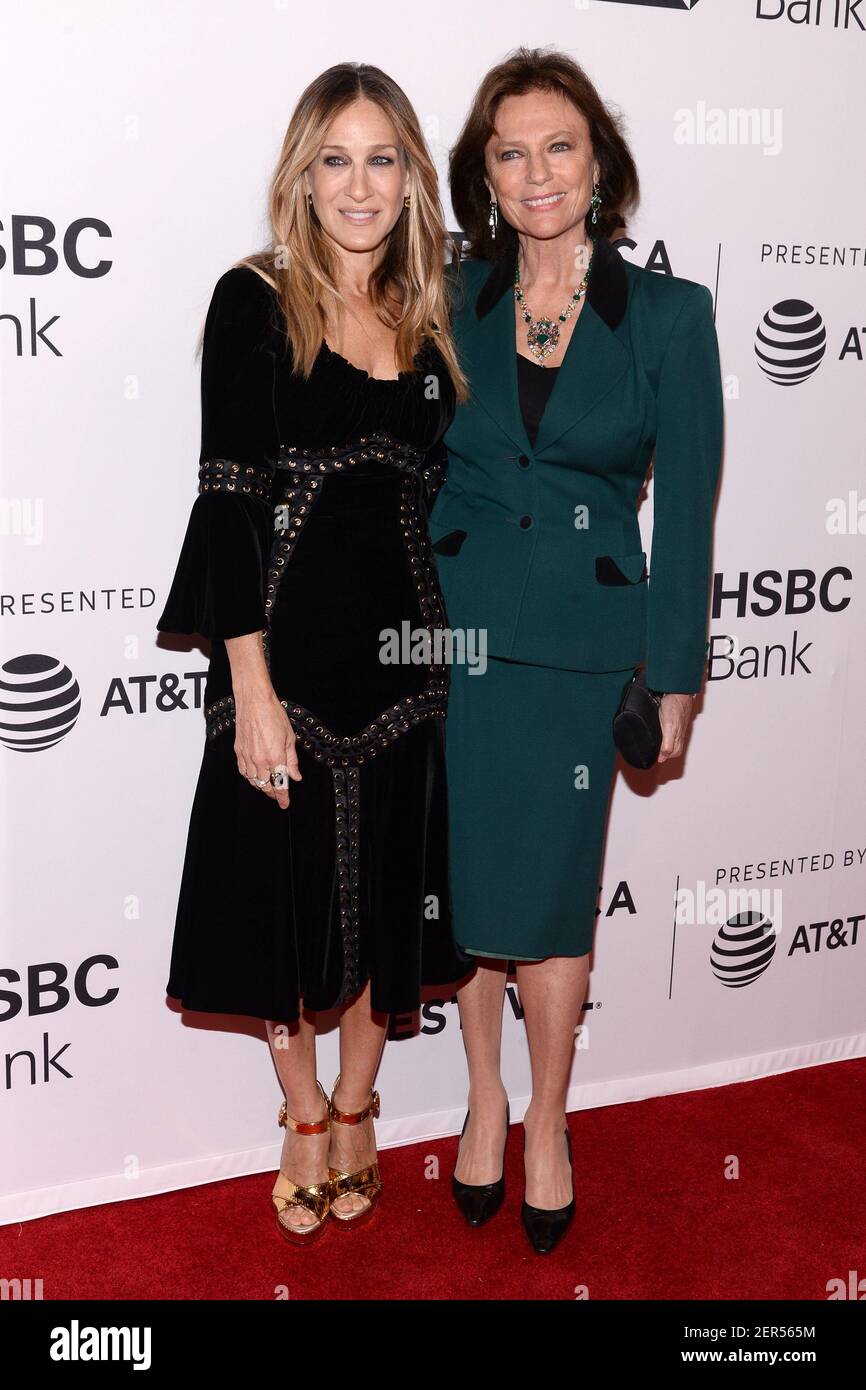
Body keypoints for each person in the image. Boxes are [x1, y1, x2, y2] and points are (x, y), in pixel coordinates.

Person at [157, 62, 473, 1246]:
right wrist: (249, 685)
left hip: (407, 664)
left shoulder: (433, 316)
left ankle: (358, 1101)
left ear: (410, 177)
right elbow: (228, 496)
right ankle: (300, 1114)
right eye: (334, 158)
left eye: (382, 157)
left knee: (392, 892)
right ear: (302, 172)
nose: (358, 183)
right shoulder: (256, 298)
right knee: (273, 900)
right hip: (279, 659)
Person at [430, 47, 724, 1254]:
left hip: (581, 650)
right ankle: (484, 1097)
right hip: (452, 634)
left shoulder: (667, 314)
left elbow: (691, 505)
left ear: (596, 159)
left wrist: (673, 679)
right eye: (509, 151)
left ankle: (548, 1115)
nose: (534, 171)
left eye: (557, 145)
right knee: (466, 890)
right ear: (482, 175)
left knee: (549, 899)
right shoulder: (449, 297)